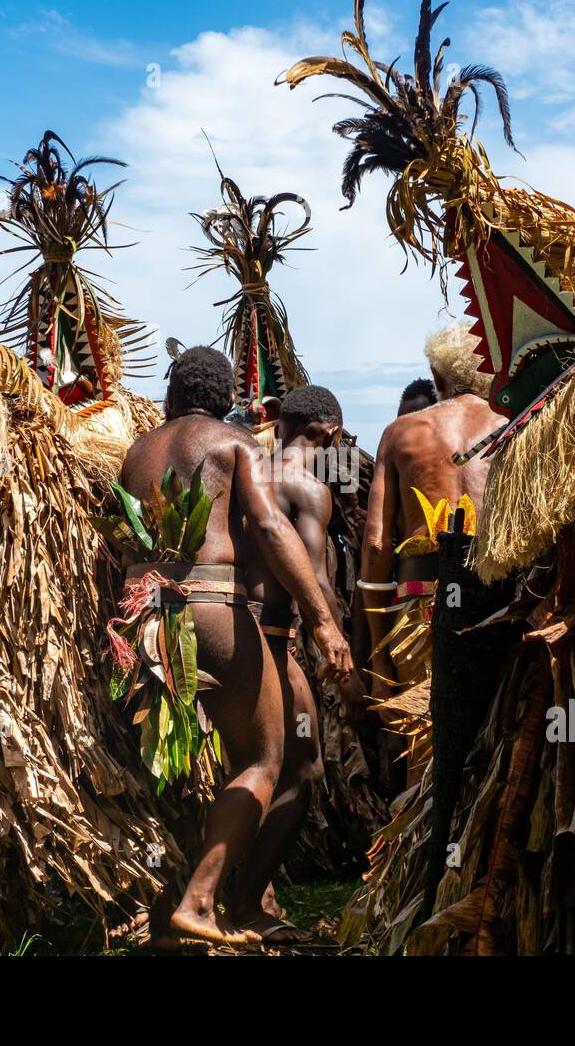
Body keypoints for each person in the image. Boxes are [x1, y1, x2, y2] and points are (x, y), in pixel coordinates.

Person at [119, 347, 351, 946]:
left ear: (170, 397)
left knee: (174, 768)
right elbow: (271, 528)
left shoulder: (137, 451)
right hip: (210, 605)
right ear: (228, 401)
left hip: (143, 615)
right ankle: (199, 904)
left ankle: (181, 906)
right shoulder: (234, 445)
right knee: (267, 758)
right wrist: (323, 622)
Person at [227, 383, 363, 941]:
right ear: (328, 433)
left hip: (220, 634)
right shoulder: (307, 488)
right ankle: (242, 905)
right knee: (300, 768)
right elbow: (317, 582)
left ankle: (242, 895)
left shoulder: (246, 474)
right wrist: (342, 651)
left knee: (246, 764)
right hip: (271, 642)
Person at [360, 323, 506, 695]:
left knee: (424, 737)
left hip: (421, 608)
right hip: (498, 606)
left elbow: (376, 545)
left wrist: (379, 654)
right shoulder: (512, 423)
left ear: (437, 376)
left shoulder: (399, 432)